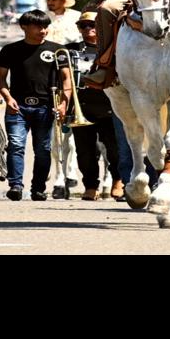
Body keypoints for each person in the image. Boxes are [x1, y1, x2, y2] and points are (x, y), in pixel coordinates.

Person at [0, 9, 72, 201]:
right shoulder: (10, 50)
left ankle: (38, 188)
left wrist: (63, 104)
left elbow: (67, 80)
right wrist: (7, 97)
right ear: (24, 27)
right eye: (38, 26)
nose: (43, 30)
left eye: (45, 26)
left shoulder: (58, 50)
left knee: (43, 149)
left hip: (46, 108)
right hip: (17, 106)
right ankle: (16, 186)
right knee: (16, 146)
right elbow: (1, 80)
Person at [69, 11, 122, 200]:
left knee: (115, 149)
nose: (88, 29)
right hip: (82, 106)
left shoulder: (115, 48)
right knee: (85, 152)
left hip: (110, 105)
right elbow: (63, 81)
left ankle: (118, 180)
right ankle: (90, 185)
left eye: (92, 24)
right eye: (83, 25)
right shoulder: (71, 50)